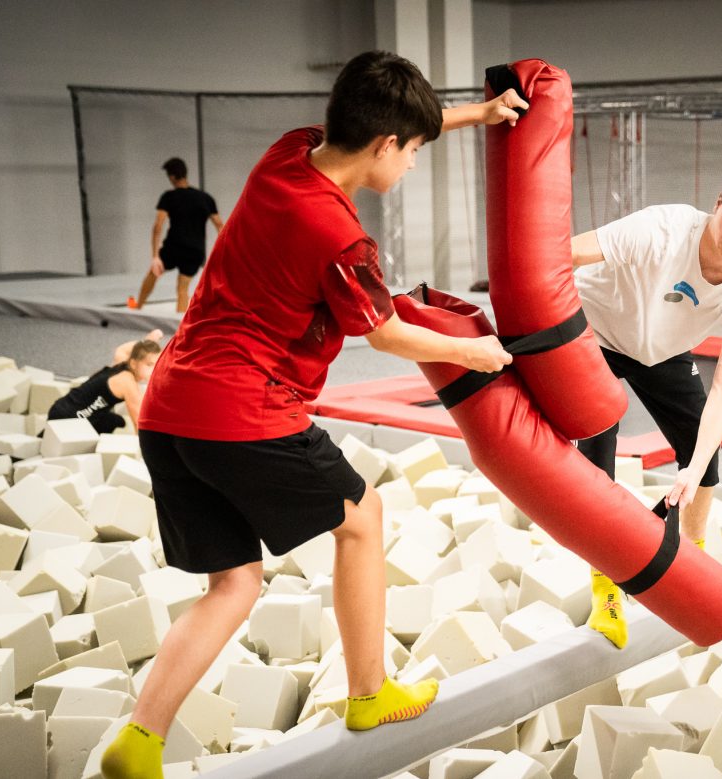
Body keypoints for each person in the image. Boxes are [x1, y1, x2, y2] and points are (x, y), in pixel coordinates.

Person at [99, 51, 524, 779]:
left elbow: (384, 122)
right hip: (243, 408)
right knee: (363, 518)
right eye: (415, 152)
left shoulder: (286, 154)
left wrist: (476, 116)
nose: (415, 162)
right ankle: (368, 692)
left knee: (234, 582)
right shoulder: (341, 238)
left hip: (168, 409)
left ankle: (140, 739)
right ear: (388, 146)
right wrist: (476, 351)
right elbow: (383, 331)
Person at [571, 158, 722, 648]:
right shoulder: (661, 229)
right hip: (594, 334)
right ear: (717, 204)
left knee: (705, 451)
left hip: (662, 350)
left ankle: (689, 560)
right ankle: (604, 587)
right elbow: (561, 255)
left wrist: (692, 471)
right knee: (596, 461)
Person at [127, 157, 225, 312]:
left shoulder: (169, 197)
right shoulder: (206, 198)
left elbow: (157, 226)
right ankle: (180, 328)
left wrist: (155, 257)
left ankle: (137, 307)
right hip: (195, 251)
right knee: (183, 289)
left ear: (172, 176)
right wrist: (220, 254)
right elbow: (220, 226)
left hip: (173, 248)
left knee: (153, 274)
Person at [47, 331, 162, 434]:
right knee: (112, 424)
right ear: (133, 363)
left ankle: (48, 436)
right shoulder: (127, 383)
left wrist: (147, 342)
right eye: (149, 365)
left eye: (156, 364)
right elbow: (139, 423)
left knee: (116, 421)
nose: (154, 370)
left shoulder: (122, 360)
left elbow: (123, 349)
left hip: (59, 408)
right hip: (68, 419)